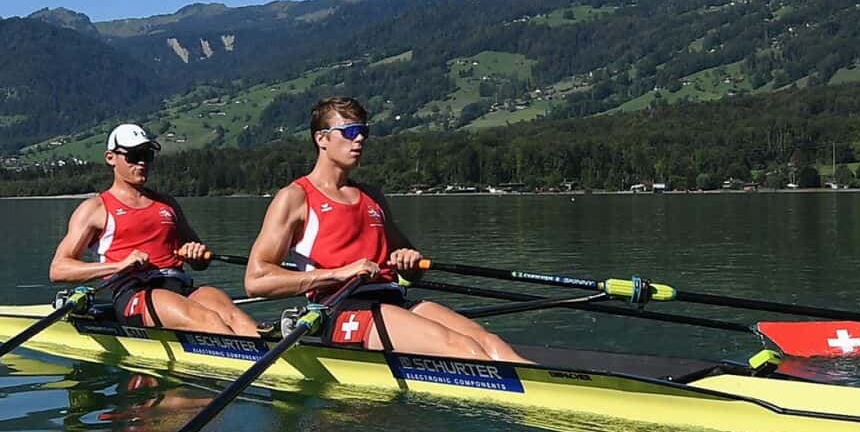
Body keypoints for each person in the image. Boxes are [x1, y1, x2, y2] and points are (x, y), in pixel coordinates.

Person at [243, 96, 527, 362]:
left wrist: (409, 262)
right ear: (322, 139)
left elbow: (414, 271)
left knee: (490, 342)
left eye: (364, 130)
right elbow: (257, 280)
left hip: (392, 299)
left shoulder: (372, 197)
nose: (361, 139)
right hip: (341, 308)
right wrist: (339, 273)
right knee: (464, 349)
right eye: (351, 131)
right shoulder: (295, 197)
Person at [49, 123, 260, 336]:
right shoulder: (94, 209)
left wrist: (196, 255)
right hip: (136, 293)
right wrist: (118, 266)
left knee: (237, 319)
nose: (142, 161)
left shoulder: (167, 204)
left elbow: (200, 263)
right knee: (209, 320)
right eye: (134, 155)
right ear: (110, 158)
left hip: (179, 286)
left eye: (147, 155)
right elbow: (59, 269)